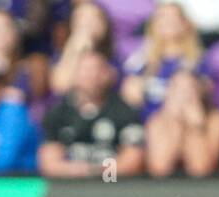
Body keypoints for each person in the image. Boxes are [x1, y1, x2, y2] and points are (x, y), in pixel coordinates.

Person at [39, 48, 144, 178]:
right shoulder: (58, 114)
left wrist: (94, 172)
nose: (92, 75)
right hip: (70, 189)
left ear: (109, 74)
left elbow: (132, 162)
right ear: (74, 74)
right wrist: (78, 171)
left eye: (98, 69)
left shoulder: (125, 112)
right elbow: (49, 164)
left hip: (113, 187)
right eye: (85, 70)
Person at [121, 1, 206, 122]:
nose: (168, 22)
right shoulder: (141, 57)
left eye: (173, 18)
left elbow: (201, 96)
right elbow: (130, 93)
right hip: (145, 122)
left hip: (180, 123)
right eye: (162, 17)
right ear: (153, 24)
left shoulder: (197, 60)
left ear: (185, 23)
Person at [145, 67, 219, 177]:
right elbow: (159, 169)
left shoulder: (216, 120)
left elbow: (201, 169)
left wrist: (196, 128)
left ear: (200, 92)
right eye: (178, 90)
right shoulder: (156, 121)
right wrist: (174, 124)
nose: (184, 96)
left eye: (190, 89)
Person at [49, 1, 116, 97]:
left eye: (94, 18)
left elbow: (109, 82)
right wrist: (74, 51)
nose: (88, 24)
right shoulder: (62, 54)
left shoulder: (112, 55)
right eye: (82, 19)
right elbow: (60, 86)